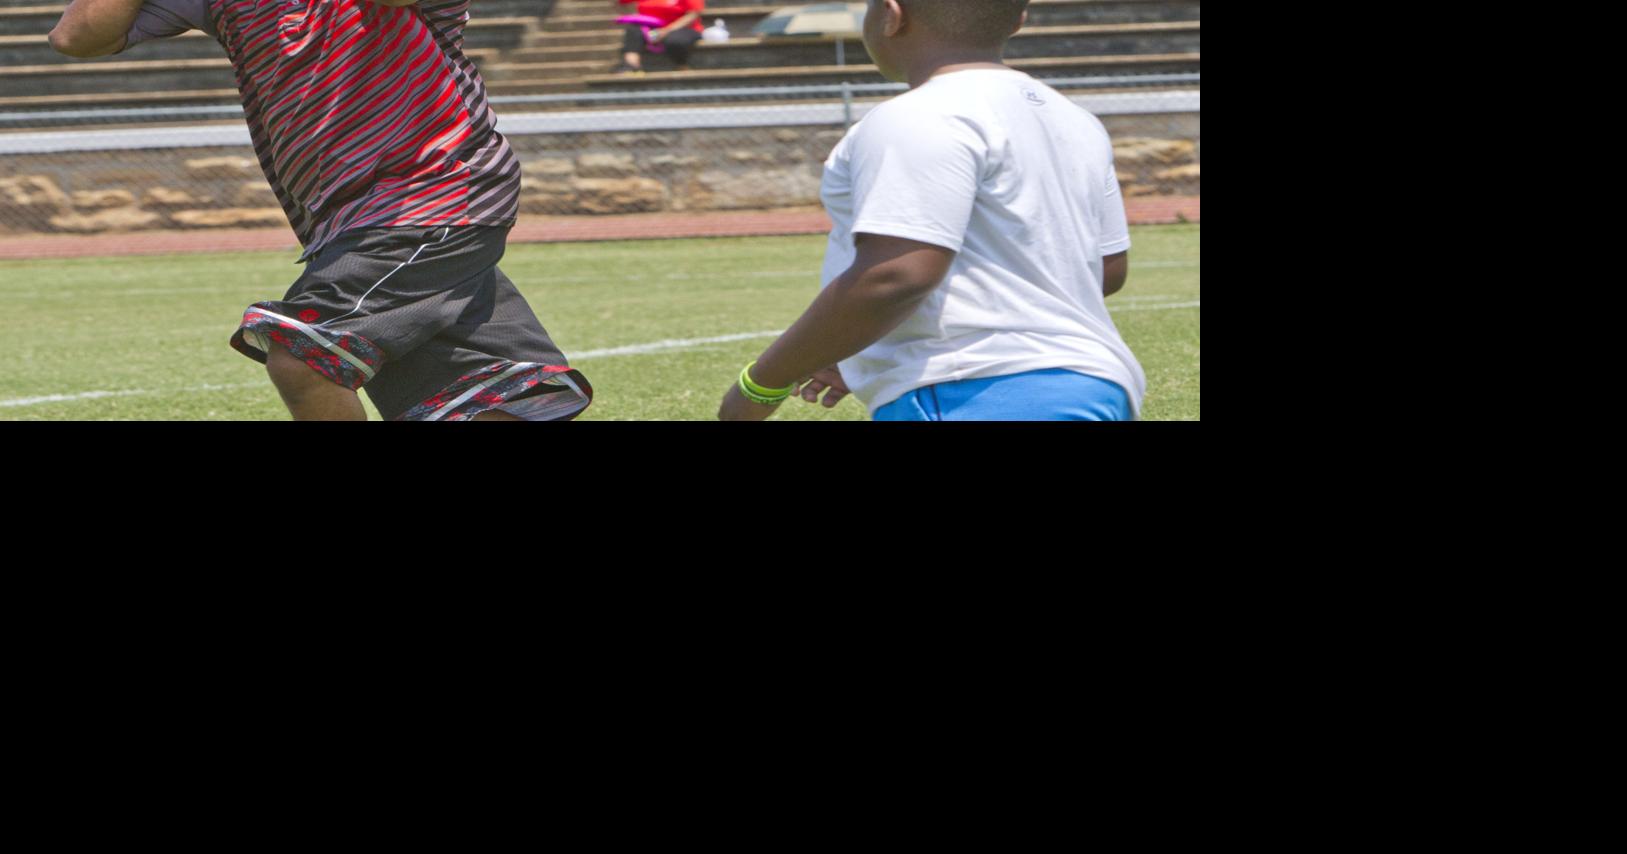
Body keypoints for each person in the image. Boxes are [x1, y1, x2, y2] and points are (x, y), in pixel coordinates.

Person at [49, 0, 592, 421]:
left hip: (434, 190)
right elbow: (77, 36)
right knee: (481, 397)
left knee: (301, 355)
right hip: (344, 217)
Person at [718, 0, 1144, 422]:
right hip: (1096, 385)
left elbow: (896, 274)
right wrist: (867, 344)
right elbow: (1106, 268)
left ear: (891, 15)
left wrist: (761, 385)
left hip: (972, 388)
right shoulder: (1075, 120)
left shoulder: (916, 116)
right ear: (1019, 20)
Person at [612, 0, 705, 74]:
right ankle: (631, 66)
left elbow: (693, 14)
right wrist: (630, 15)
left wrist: (666, 31)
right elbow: (620, 3)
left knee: (675, 41)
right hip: (651, 28)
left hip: (683, 28)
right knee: (633, 31)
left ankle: (682, 66)